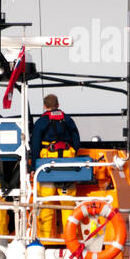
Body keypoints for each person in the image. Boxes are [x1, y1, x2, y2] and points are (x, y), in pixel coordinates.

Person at [29, 94, 81, 240]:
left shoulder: (41, 122)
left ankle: (45, 239)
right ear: (58, 104)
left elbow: (35, 146)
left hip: (48, 167)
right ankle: (71, 240)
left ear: (44, 106)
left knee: (46, 203)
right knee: (68, 204)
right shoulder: (68, 120)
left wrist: (33, 167)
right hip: (67, 166)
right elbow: (76, 142)